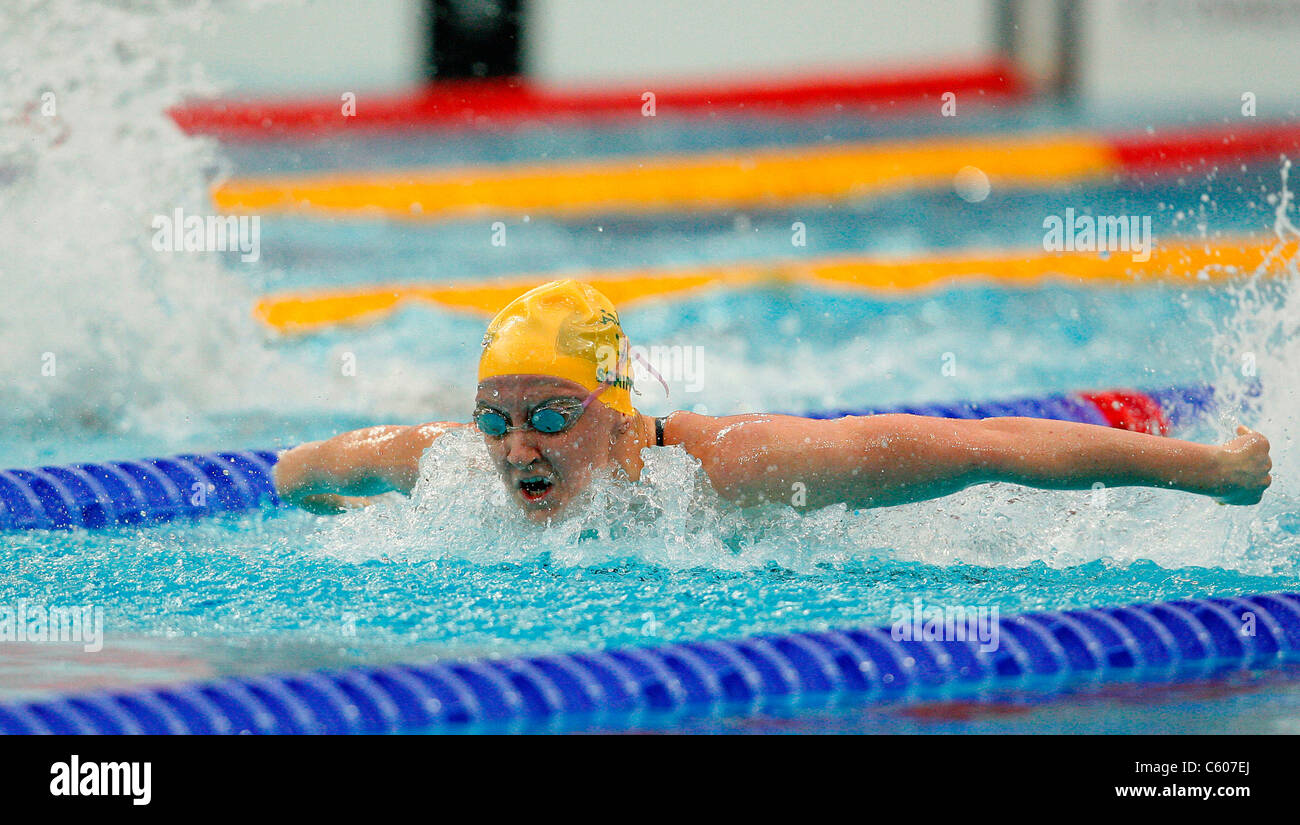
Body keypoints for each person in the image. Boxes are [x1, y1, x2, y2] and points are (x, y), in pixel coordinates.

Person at [273, 279, 1273, 523]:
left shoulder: (737, 466)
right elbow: (301, 470)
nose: (510, 447)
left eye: (546, 414)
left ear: (619, 416)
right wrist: (325, 502)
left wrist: (1212, 469)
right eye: (494, 417)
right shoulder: (451, 460)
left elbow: (985, 446)